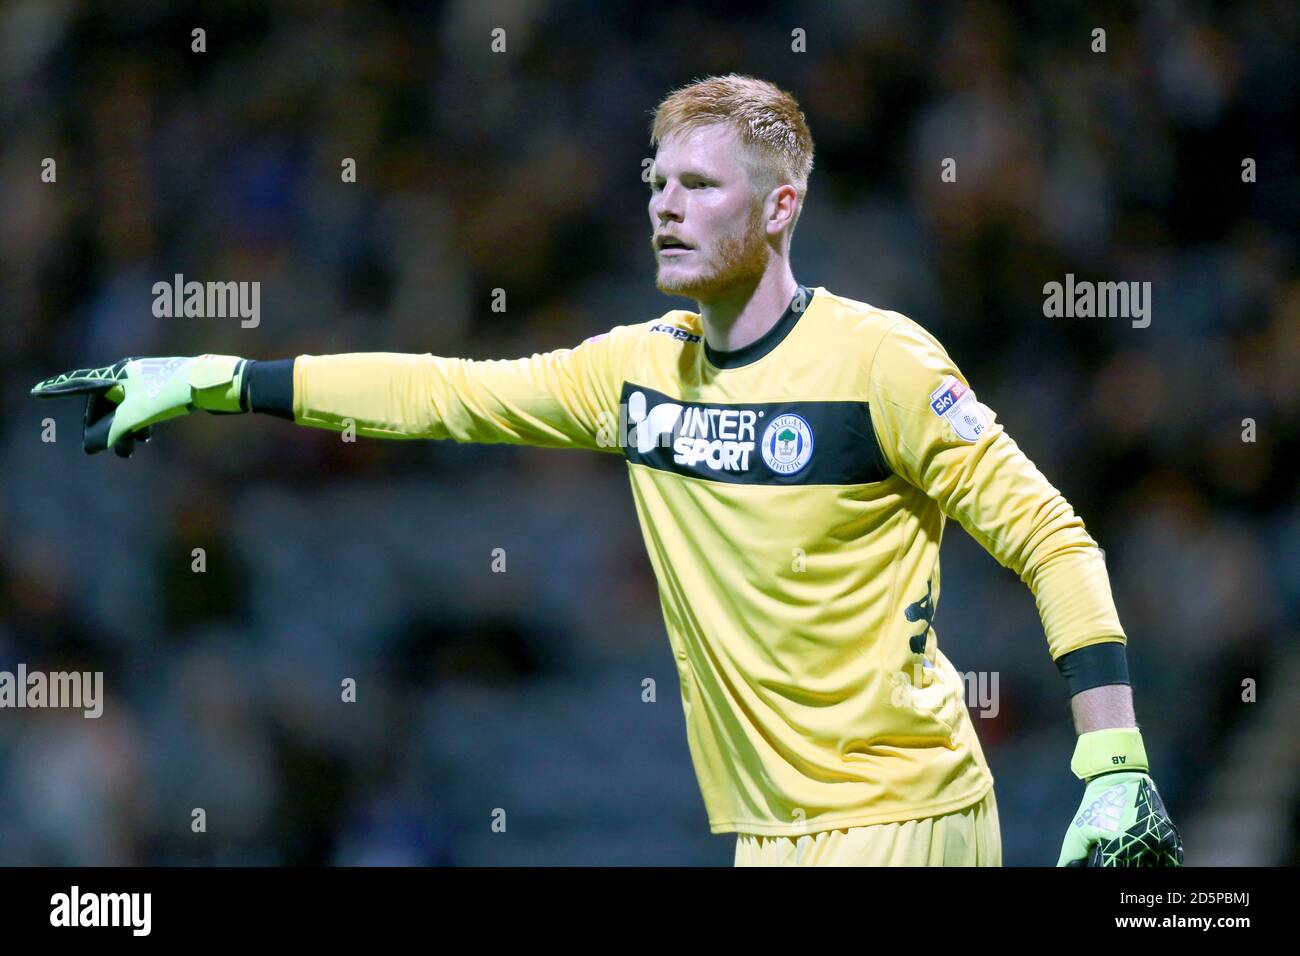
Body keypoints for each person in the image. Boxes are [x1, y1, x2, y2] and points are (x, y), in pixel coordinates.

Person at [32, 74, 1183, 867]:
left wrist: (1113, 756)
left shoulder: (878, 362)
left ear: (782, 207)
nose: (664, 206)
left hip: (902, 814)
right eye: (656, 180)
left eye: (700, 185)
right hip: (770, 831)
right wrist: (220, 379)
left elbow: (1054, 537)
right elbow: (441, 391)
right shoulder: (633, 373)